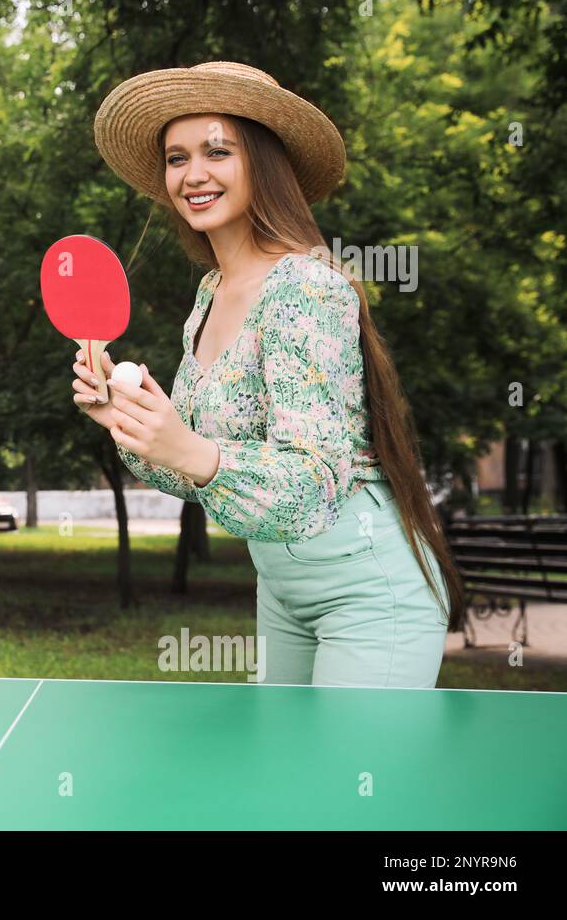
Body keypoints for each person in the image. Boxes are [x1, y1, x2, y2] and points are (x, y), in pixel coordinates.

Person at [78, 61, 464, 687]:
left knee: (344, 783)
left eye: (217, 151)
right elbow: (187, 468)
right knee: (288, 776)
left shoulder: (305, 286)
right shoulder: (210, 293)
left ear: (263, 163)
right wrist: (124, 420)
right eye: (177, 158)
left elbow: (312, 483)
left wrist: (194, 452)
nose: (193, 175)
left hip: (369, 596)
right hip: (282, 587)